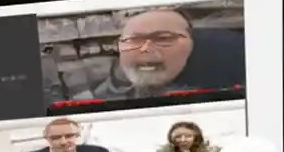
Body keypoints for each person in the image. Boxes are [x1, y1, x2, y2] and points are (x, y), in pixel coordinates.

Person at [87, 8, 246, 100]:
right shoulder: (124, 68)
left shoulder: (234, 55)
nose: (145, 49)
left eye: (162, 38)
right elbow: (106, 95)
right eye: (135, 39)